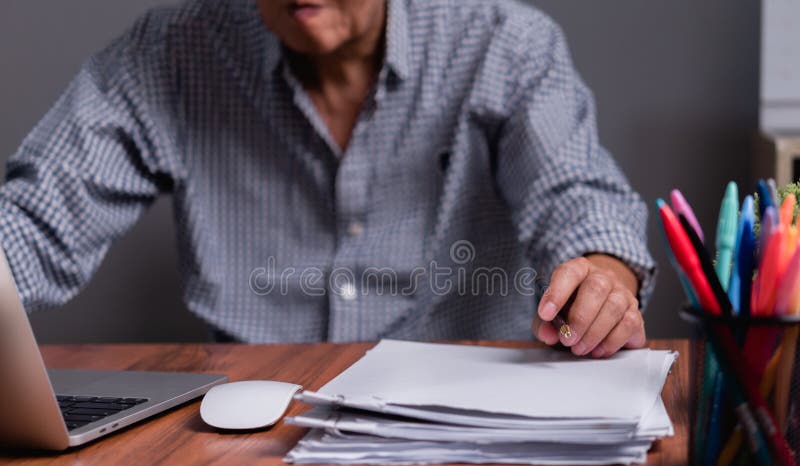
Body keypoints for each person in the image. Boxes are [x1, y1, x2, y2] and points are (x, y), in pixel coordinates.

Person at [0, 0, 655, 356]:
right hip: (248, 444)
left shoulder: (505, 43)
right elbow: (35, 220)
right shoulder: (169, 55)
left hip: (465, 436)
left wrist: (603, 277)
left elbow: (576, 196)